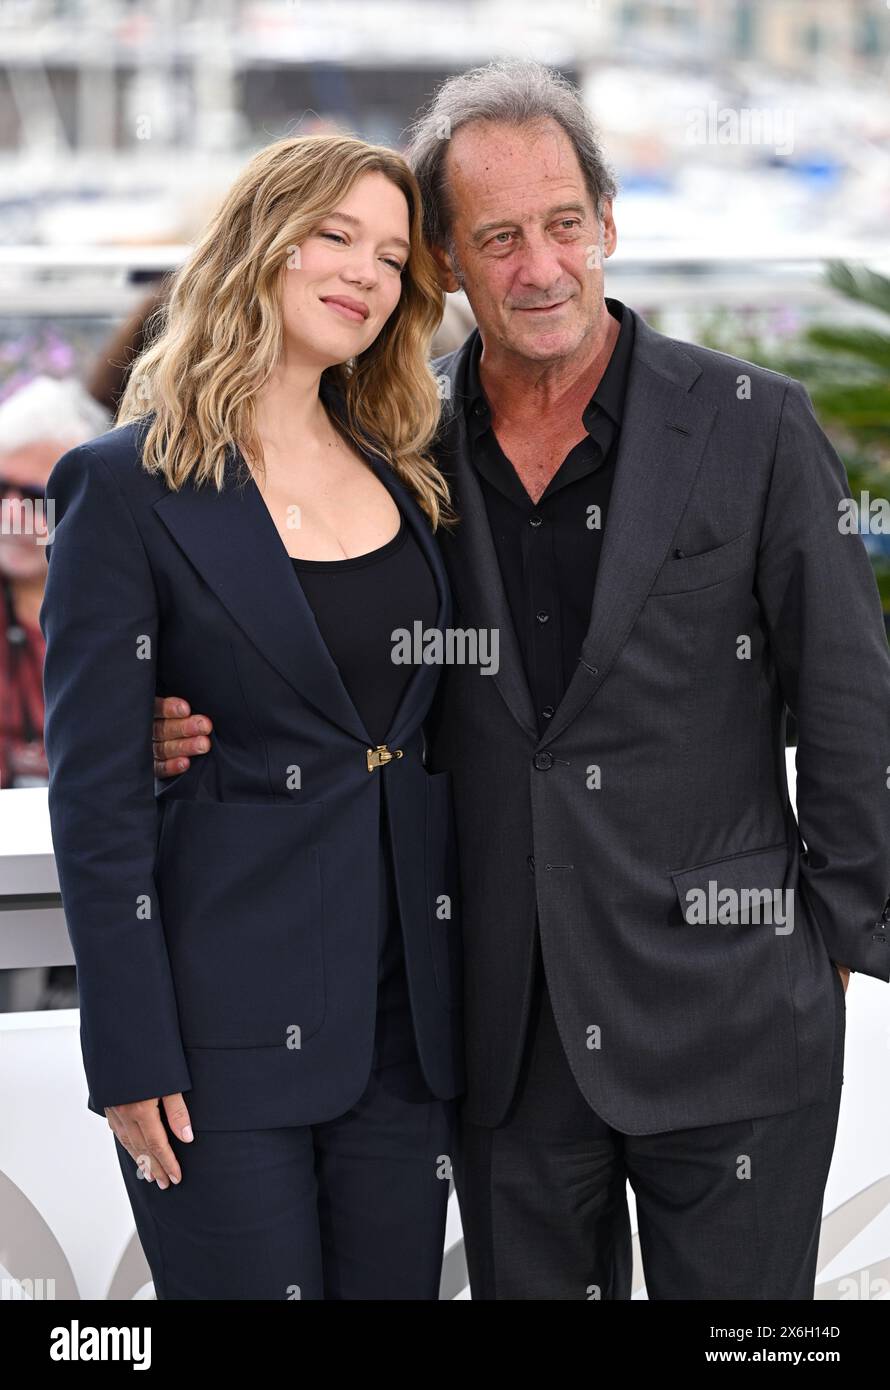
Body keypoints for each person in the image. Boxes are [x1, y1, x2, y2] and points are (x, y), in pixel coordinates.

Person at [154, 60, 890, 1301]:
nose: (539, 265)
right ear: (443, 262)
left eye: (561, 224)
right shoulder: (394, 455)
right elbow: (323, 655)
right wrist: (173, 723)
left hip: (733, 1012)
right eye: (497, 238)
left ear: (607, 223)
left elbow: (849, 704)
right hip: (497, 1023)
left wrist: (826, 938)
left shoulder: (751, 423)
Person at [40, 133, 465, 1300]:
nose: (365, 273)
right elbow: (94, 794)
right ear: (259, 244)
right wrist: (126, 1049)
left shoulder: (411, 471)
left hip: (404, 1028)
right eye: (335, 236)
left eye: (390, 255)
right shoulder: (124, 487)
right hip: (216, 1034)